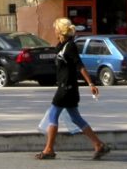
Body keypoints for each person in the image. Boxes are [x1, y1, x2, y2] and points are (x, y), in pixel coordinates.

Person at [37, 17, 110, 161]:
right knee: (75, 118)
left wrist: (91, 84)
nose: (54, 30)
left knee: (53, 116)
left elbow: (80, 65)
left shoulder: (70, 46)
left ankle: (49, 149)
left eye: (56, 28)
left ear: (60, 30)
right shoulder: (62, 45)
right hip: (66, 87)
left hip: (66, 88)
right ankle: (98, 144)